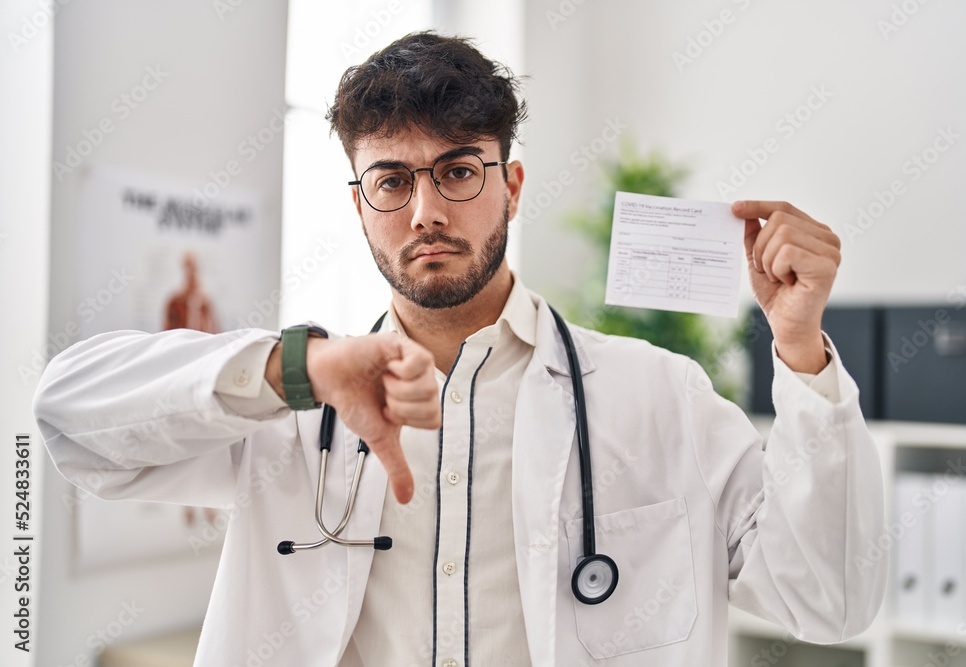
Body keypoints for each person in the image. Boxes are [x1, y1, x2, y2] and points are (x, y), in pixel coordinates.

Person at [34, 31, 887, 667]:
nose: (425, 212)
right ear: (361, 202)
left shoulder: (661, 395)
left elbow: (830, 600)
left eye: (457, 170)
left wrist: (801, 347)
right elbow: (70, 420)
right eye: (392, 181)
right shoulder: (296, 405)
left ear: (510, 186)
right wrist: (297, 369)